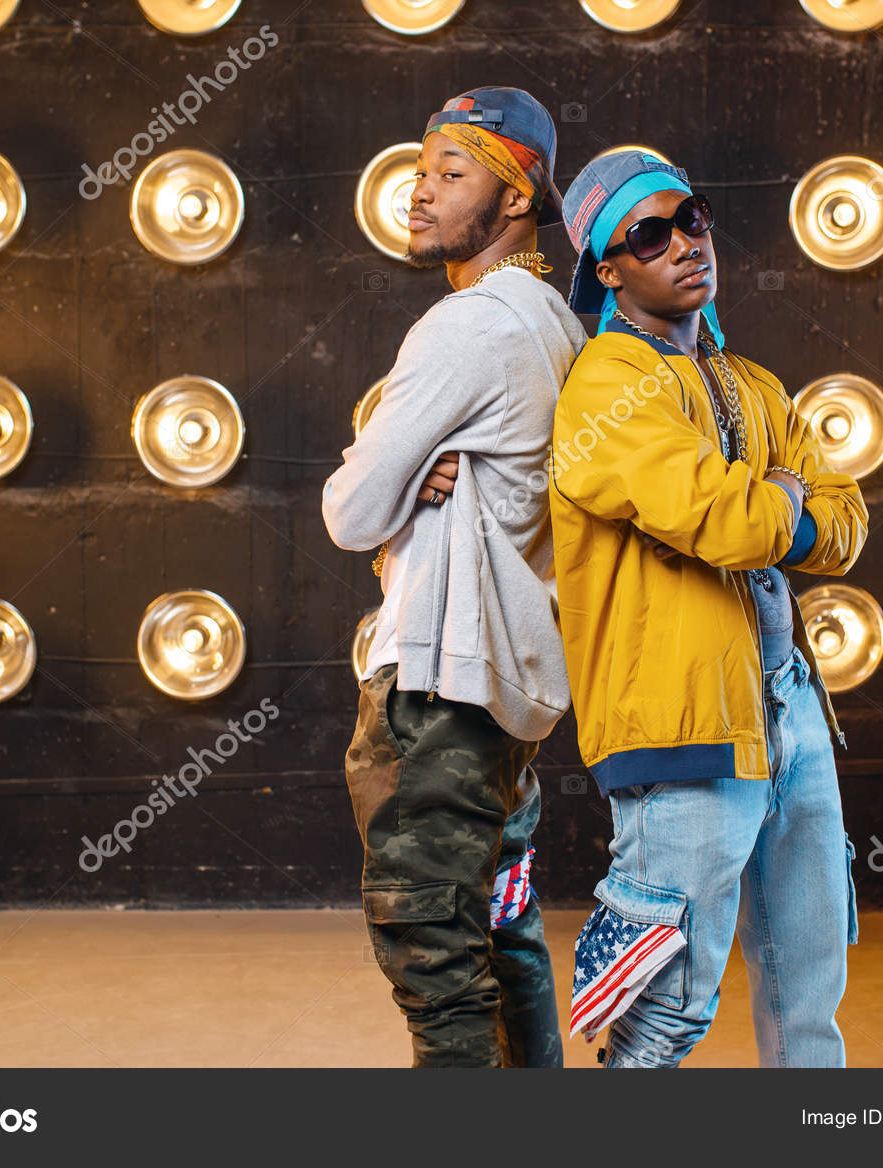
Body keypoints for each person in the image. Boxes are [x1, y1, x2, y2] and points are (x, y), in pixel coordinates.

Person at [549, 148, 870, 1067]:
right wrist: (779, 501)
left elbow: (847, 520)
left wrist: (776, 509)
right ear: (610, 271)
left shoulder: (755, 385)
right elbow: (731, 522)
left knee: (809, 997)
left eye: (691, 217)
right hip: (683, 723)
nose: (685, 243)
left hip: (789, 705)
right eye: (649, 236)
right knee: (667, 1012)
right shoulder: (606, 386)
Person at [322, 86, 586, 1068]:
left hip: (438, 687)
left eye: (453, 171)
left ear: (517, 197)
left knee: (433, 952)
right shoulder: (559, 325)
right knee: (502, 932)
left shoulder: (465, 327)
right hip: (511, 692)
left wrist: (386, 471)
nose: (421, 190)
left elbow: (350, 510)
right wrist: (408, 470)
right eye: (420, 168)